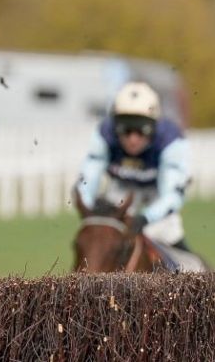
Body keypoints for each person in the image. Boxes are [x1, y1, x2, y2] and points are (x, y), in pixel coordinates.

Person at [74, 82, 194, 252]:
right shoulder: (104, 133)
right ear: (115, 126)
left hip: (157, 194)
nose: (133, 138)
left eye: (141, 129)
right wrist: (87, 207)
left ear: (154, 126)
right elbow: (87, 179)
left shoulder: (171, 140)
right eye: (125, 128)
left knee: (168, 232)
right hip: (121, 191)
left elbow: (172, 196)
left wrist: (145, 218)